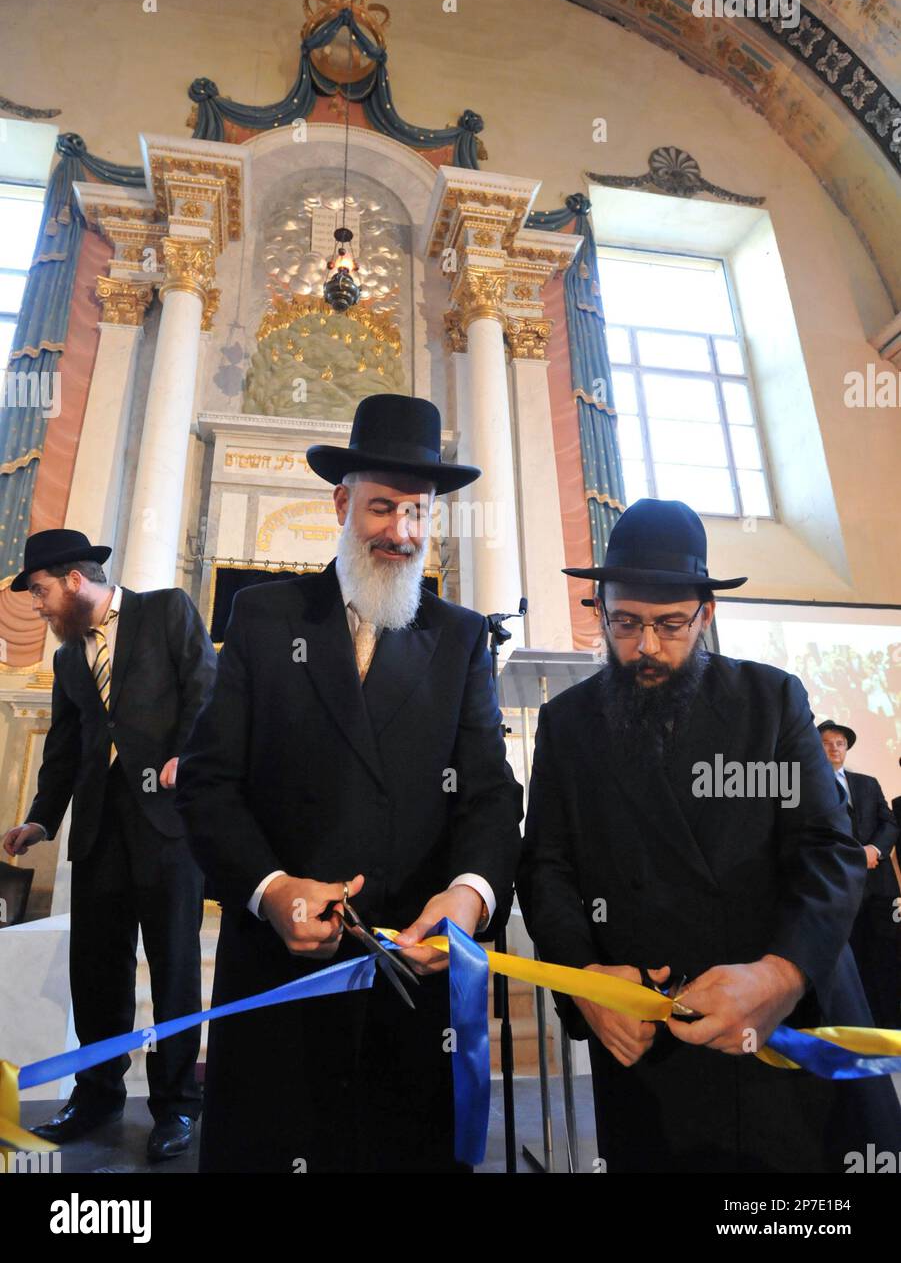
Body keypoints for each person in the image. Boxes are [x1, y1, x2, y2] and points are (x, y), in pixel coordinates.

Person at [176, 394, 523, 1173]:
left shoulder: (460, 637)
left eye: (417, 512)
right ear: (341, 502)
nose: (400, 531)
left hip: (411, 975)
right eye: (380, 507)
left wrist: (466, 900)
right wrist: (270, 888)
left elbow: (489, 796)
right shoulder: (263, 618)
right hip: (278, 974)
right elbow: (207, 783)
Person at [518, 498, 901, 1172]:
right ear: (599, 612)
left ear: (706, 614)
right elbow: (546, 868)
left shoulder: (771, 700)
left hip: (783, 1025)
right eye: (624, 623)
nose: (645, 647)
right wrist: (581, 978)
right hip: (648, 1035)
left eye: (669, 625)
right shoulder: (567, 723)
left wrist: (780, 975)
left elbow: (828, 852)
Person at [2, 529, 217, 1160]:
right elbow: (63, 750)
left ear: (73, 580)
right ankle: (95, 1096)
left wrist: (189, 755)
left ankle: (176, 1106)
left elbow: (206, 688)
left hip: (168, 824)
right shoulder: (70, 660)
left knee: (175, 967)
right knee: (97, 971)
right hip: (98, 829)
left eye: (39, 592)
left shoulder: (167, 609)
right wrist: (42, 819)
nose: (37, 607)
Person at [818, 720, 901, 1030]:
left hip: (880, 889)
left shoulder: (867, 782)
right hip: (840, 888)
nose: (834, 748)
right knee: (852, 962)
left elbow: (890, 823)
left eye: (840, 743)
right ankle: (860, 1028)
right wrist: (855, 855)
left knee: (888, 956)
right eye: (827, 743)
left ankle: (892, 1027)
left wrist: (874, 850)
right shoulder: (809, 786)